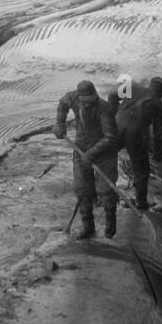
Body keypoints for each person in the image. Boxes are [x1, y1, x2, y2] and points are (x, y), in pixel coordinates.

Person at [53, 80, 120, 239]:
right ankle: (88, 226)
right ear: (80, 97)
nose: (89, 103)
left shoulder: (104, 108)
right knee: (82, 189)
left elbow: (111, 137)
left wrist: (92, 153)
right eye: (85, 101)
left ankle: (111, 225)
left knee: (106, 191)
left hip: (105, 153)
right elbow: (63, 104)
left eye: (91, 100)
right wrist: (59, 123)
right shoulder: (73, 97)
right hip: (81, 148)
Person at [115, 76, 162, 210]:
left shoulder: (133, 87)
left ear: (150, 85)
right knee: (142, 170)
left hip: (117, 125)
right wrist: (158, 157)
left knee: (105, 156)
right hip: (135, 134)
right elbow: (158, 135)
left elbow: (112, 96)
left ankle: (96, 192)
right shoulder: (159, 105)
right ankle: (140, 203)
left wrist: (114, 114)